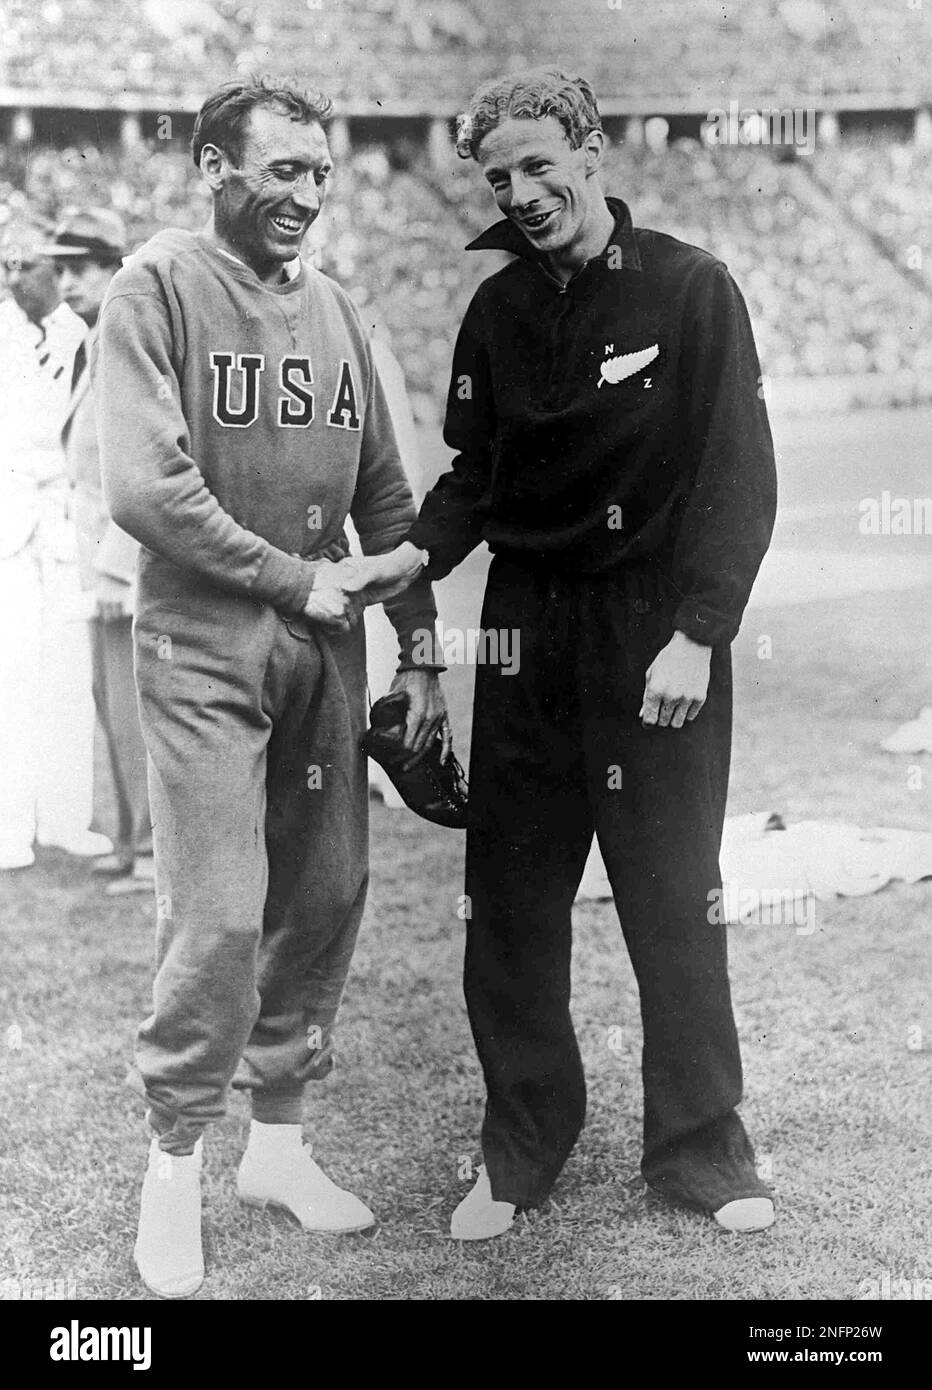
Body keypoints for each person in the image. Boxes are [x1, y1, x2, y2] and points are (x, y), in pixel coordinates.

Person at [404, 68, 779, 1239]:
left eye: (534, 164)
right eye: (496, 176)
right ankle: (517, 1151)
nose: (519, 192)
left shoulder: (689, 287)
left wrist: (697, 637)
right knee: (509, 904)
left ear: (589, 151)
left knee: (673, 901)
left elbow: (736, 477)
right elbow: (474, 479)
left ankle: (700, 1153)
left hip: (652, 630)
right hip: (525, 632)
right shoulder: (498, 312)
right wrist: (403, 560)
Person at [95, 77, 445, 1297]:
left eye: (319, 173)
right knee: (221, 913)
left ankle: (280, 1148)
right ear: (211, 165)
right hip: (203, 637)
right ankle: (174, 1165)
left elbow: (388, 503)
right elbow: (142, 487)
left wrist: (430, 657)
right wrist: (293, 578)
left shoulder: (341, 310)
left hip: (322, 646)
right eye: (280, 169)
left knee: (329, 890)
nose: (305, 194)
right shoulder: (155, 286)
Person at [41, 208, 155, 895]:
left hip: (123, 561)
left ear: (114, 265)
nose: (66, 282)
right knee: (109, 703)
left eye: (79, 267)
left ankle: (150, 851)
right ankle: (123, 838)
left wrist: (116, 562)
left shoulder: (125, 333)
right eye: (59, 269)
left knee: (136, 708)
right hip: (92, 559)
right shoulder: (92, 339)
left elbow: (142, 460)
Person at [0, 216, 110, 870]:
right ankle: (10, 827)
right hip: (11, 525)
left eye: (25, 265)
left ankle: (68, 820)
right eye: (7, 266)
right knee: (11, 677)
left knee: (71, 677)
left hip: (70, 527)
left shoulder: (87, 334)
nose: (14, 277)